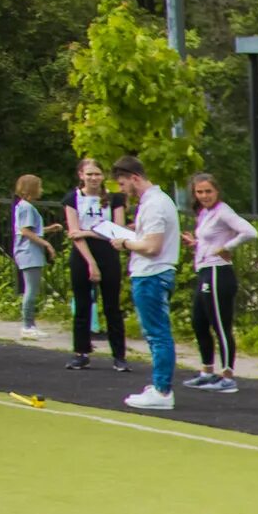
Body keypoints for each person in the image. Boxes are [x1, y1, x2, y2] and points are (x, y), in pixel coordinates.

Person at [95, 156, 182, 410]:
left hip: (152, 273)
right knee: (156, 333)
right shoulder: (154, 201)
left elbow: (152, 246)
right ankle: (159, 386)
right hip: (151, 272)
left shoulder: (155, 203)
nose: (122, 190)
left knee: (157, 334)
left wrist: (125, 242)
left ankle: (162, 390)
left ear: (134, 178)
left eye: (122, 184)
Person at [185, 173, 257, 392]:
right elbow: (211, 239)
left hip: (218, 272)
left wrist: (228, 247)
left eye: (208, 191)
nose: (204, 196)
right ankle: (207, 370)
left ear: (217, 191)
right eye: (200, 192)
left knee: (220, 325)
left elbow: (249, 232)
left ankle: (227, 376)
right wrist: (197, 243)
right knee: (198, 322)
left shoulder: (223, 211)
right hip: (205, 271)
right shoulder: (205, 213)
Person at [61, 157, 127, 373]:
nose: (93, 178)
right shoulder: (73, 198)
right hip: (83, 254)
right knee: (82, 305)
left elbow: (118, 230)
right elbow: (74, 233)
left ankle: (119, 355)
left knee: (112, 307)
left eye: (97, 174)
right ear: (81, 175)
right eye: (89, 174)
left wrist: (88, 231)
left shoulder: (114, 198)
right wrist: (91, 263)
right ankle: (81, 353)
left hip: (108, 252)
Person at [11, 174, 51, 338]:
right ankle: (27, 325)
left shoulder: (22, 206)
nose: (41, 190)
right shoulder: (27, 207)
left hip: (26, 251)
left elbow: (30, 229)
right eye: (39, 186)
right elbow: (26, 231)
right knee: (31, 289)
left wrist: (48, 229)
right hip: (29, 252)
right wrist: (46, 244)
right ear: (32, 189)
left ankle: (30, 325)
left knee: (31, 289)